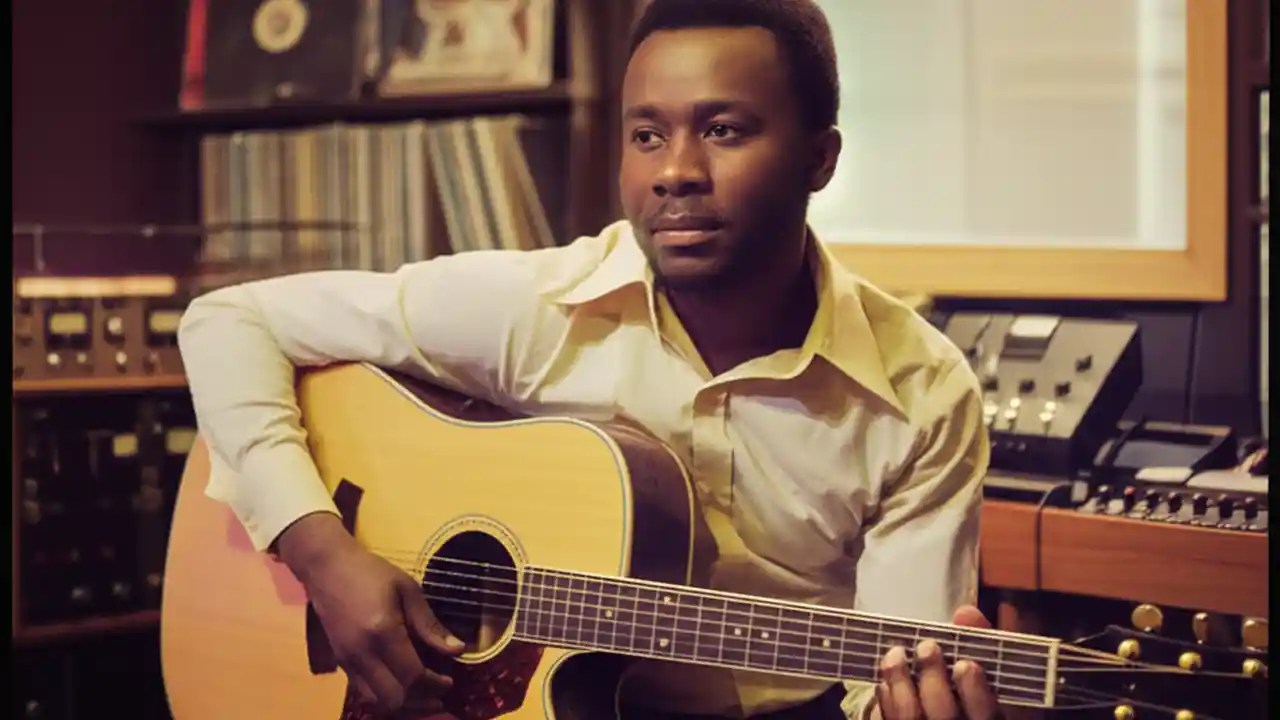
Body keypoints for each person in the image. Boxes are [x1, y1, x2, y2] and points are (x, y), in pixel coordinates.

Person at [177, 0, 1000, 718]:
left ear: (821, 159)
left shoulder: (920, 394)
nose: (675, 172)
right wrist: (321, 550)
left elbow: (894, 675)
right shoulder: (535, 308)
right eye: (647, 134)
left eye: (722, 130)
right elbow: (228, 320)